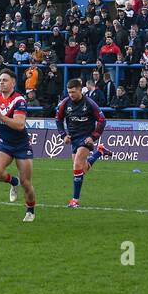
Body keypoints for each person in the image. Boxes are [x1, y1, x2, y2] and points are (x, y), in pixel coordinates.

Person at [0, 70, 36, 222]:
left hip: (21, 145)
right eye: (0, 80)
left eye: (5, 80)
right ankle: (12, 181)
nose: (1, 83)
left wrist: (1, 117)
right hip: (5, 143)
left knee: (26, 183)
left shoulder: (19, 100)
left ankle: (30, 211)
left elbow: (20, 125)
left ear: (13, 83)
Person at [54, 78, 110, 208]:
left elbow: (102, 120)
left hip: (86, 139)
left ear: (80, 90)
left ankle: (75, 200)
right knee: (82, 169)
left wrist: (93, 137)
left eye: (73, 92)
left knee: (77, 164)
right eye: (69, 92)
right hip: (73, 139)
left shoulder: (89, 103)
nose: (71, 95)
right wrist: (63, 135)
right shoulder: (64, 103)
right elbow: (58, 119)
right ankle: (100, 152)